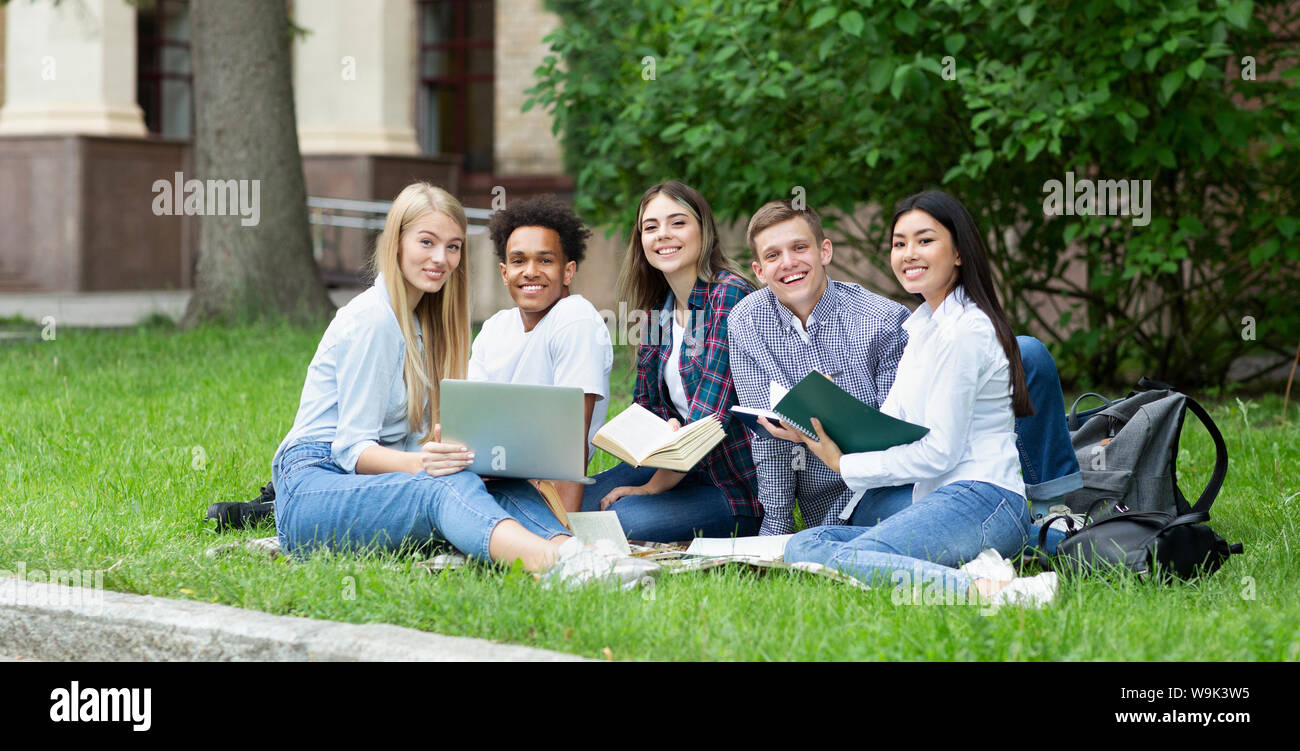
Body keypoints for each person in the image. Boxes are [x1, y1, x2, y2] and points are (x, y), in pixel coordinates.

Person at [270, 182, 650, 585]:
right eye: (427, 242)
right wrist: (426, 464)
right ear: (396, 243)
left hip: (375, 483)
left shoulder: (427, 323)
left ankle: (579, 554)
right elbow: (351, 451)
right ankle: (556, 564)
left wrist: (453, 456)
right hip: (313, 484)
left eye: (453, 247)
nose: (441, 258)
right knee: (443, 487)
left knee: (496, 481)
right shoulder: (373, 320)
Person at [781, 190, 1060, 606]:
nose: (909, 253)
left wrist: (843, 464)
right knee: (806, 544)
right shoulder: (922, 327)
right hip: (935, 499)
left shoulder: (966, 331)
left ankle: (1003, 592)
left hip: (983, 498)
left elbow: (939, 454)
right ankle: (971, 567)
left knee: (853, 557)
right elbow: (891, 426)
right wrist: (820, 417)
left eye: (925, 240)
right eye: (899, 243)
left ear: (960, 252)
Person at [580, 181, 760, 541]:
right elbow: (646, 408)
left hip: (732, 486)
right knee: (576, 500)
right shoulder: (657, 310)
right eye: (651, 227)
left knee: (623, 518)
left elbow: (709, 418)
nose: (663, 235)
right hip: (671, 465)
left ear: (703, 230)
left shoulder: (729, 293)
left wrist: (650, 489)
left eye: (678, 223)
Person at [728, 200, 912, 536]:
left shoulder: (884, 321)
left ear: (824, 251)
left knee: (912, 522)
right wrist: (777, 527)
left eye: (799, 247)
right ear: (758, 271)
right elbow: (767, 440)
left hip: (883, 489)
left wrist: (832, 415)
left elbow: (898, 436)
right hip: (821, 505)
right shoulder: (746, 322)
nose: (788, 263)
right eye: (773, 256)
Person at [471, 194, 612, 512]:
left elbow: (571, 438)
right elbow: (472, 423)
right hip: (489, 478)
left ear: (568, 271)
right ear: (505, 272)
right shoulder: (494, 328)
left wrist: (563, 530)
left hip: (543, 489)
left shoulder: (574, 317)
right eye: (519, 261)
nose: (530, 271)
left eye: (545, 260)